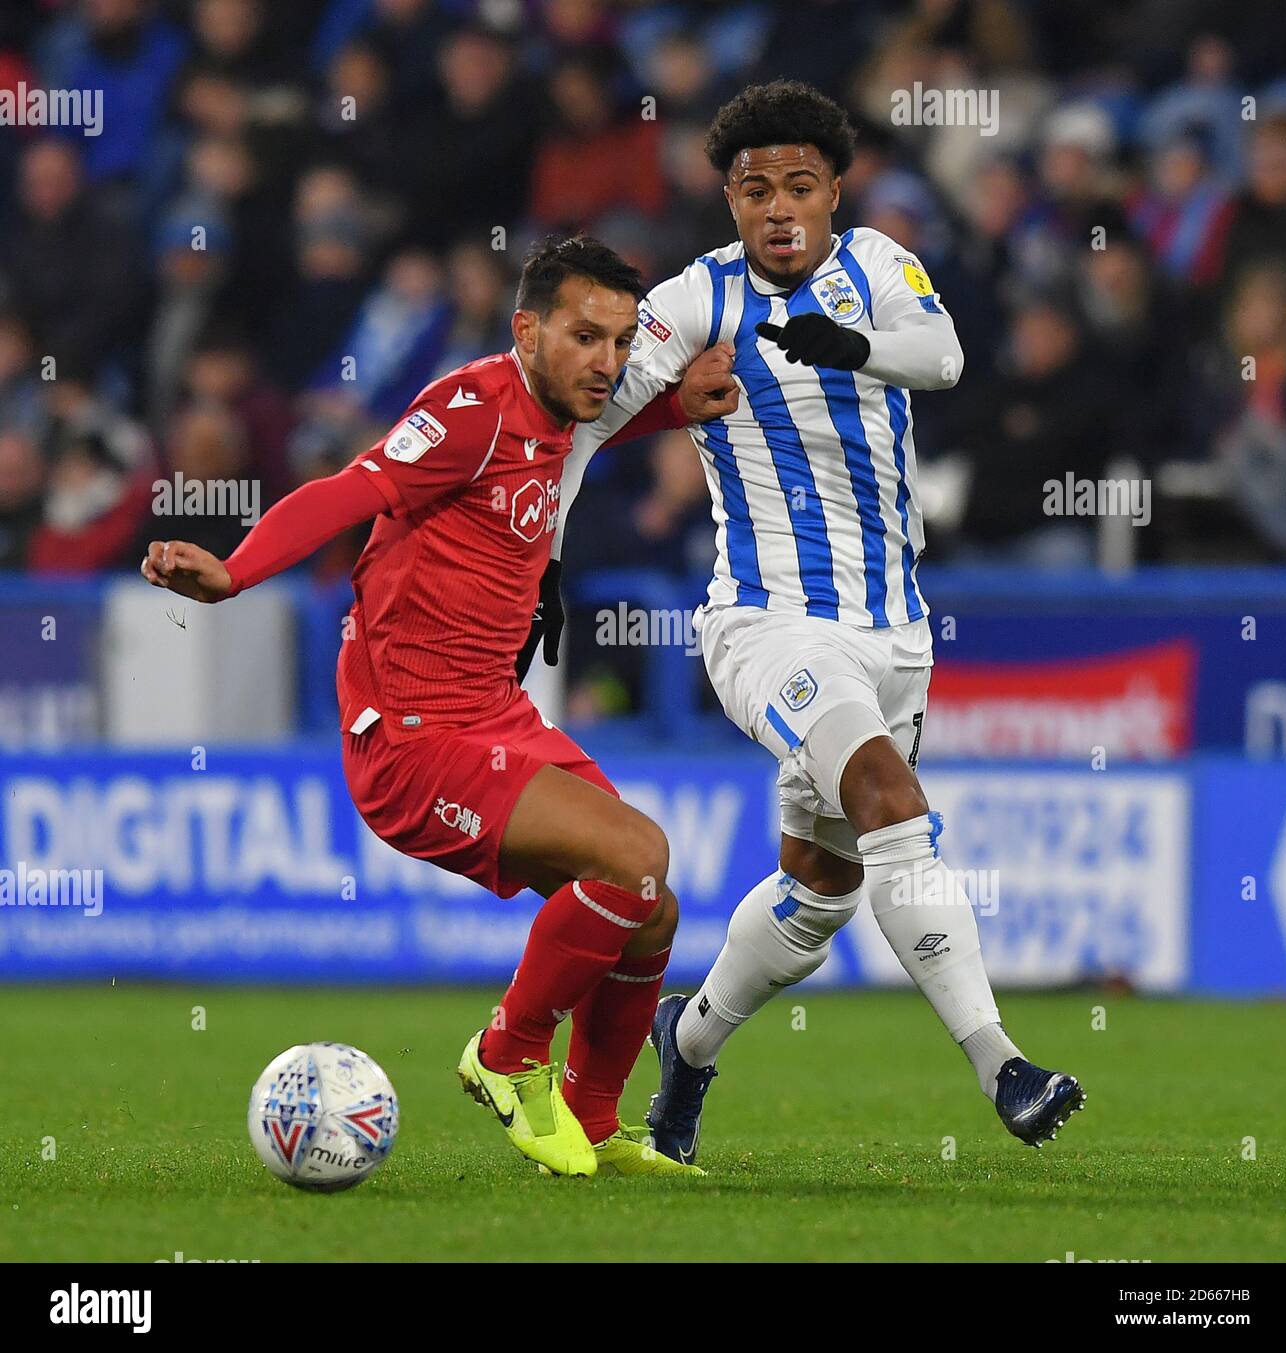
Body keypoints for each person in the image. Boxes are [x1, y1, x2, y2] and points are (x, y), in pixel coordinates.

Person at [545, 82, 1086, 1164]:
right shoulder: (696, 300)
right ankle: (1002, 1066)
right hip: (767, 626)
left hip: (894, 632)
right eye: (754, 190)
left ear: (836, 191)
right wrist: (541, 559)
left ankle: (686, 1047)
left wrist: (841, 345)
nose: (778, 209)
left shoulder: (881, 266)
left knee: (821, 892)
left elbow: (941, 360)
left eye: (799, 185)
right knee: (893, 801)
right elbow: (585, 417)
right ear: (730, 202)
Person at [141, 235, 739, 1179]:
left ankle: (587, 1123)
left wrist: (673, 405)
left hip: (493, 712)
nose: (609, 362)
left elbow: (589, 429)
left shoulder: (558, 412)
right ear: (527, 329)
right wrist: (235, 571)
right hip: (412, 737)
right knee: (636, 859)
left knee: (649, 909)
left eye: (623, 343)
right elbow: (351, 488)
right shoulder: (468, 409)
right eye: (587, 337)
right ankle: (506, 1052)